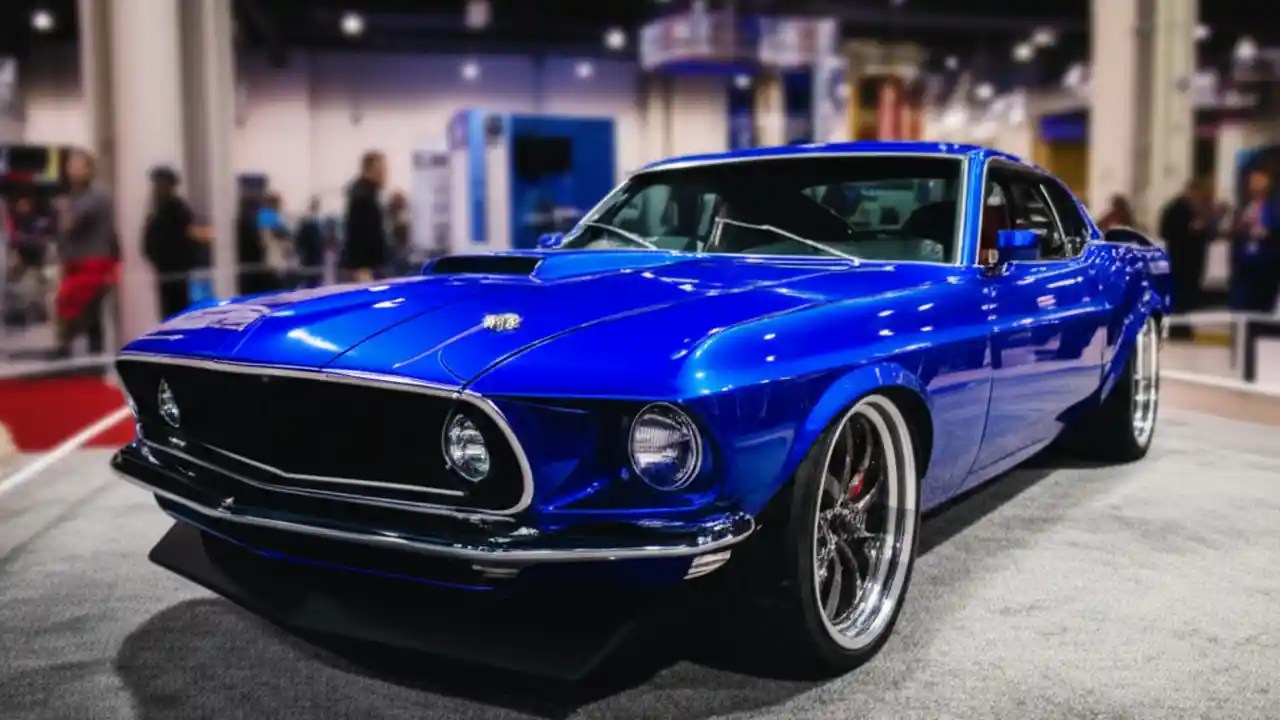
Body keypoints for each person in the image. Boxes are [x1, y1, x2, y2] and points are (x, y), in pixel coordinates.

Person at [53, 150, 117, 357]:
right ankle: (71, 353)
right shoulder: (73, 196)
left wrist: (65, 211)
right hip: (73, 261)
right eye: (71, 166)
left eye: (78, 166)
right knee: (72, 309)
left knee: (87, 310)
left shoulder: (97, 196)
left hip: (92, 262)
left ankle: (90, 357)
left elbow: (71, 223)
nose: (73, 170)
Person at [142, 166, 202, 319]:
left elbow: (187, 236)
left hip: (177, 269)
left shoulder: (178, 208)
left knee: (177, 309)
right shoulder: (156, 208)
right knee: (166, 309)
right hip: (163, 268)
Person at [1158, 178, 1215, 314]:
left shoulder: (1200, 209)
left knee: (1190, 294)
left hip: (1193, 260)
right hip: (1181, 258)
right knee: (1181, 294)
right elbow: (1167, 230)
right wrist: (1189, 229)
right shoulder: (1176, 209)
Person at [1229, 168, 1279, 312]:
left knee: (1262, 303)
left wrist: (1266, 232)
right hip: (1244, 263)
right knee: (1243, 303)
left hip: (1265, 263)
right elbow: (1234, 229)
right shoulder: (1243, 207)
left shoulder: (1273, 208)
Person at [342, 151, 387, 282]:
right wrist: (361, 267)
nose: (385, 174)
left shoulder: (369, 194)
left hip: (368, 265)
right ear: (371, 169)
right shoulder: (363, 198)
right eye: (381, 169)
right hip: (364, 268)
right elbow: (360, 235)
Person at [294, 195, 326, 287]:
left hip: (315, 251)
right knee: (310, 274)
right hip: (310, 251)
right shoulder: (308, 220)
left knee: (315, 274)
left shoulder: (318, 219)